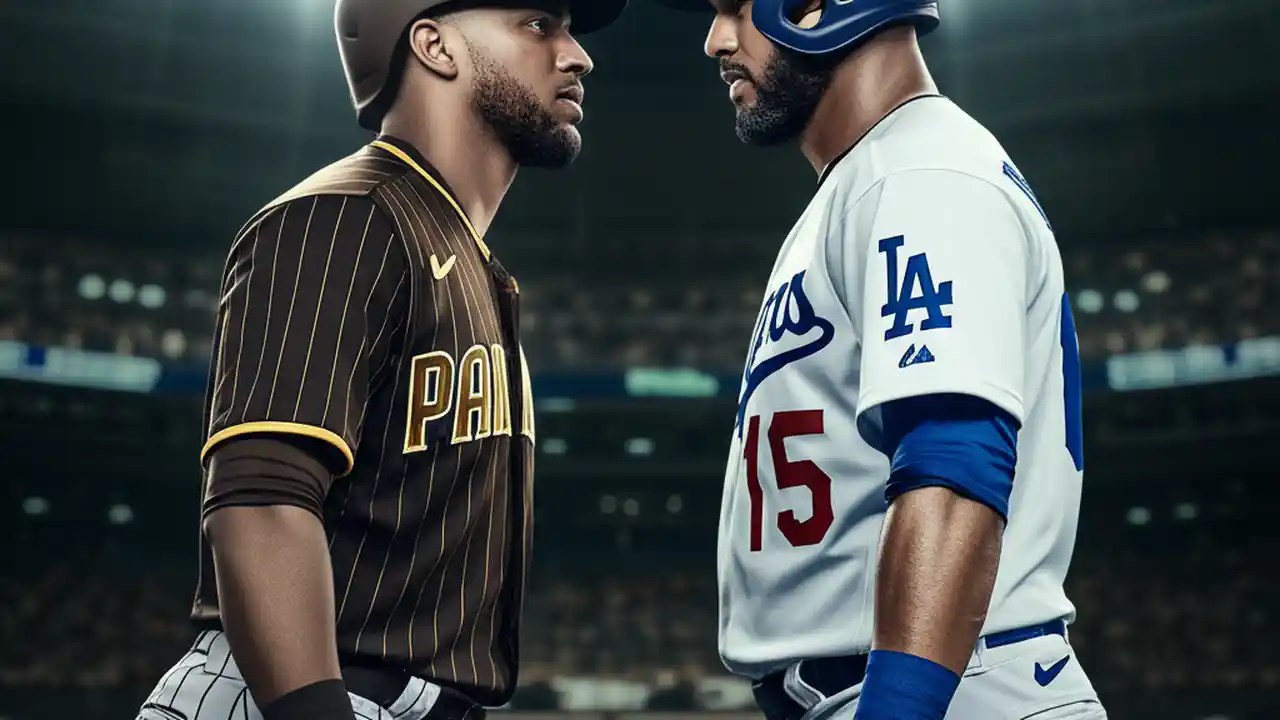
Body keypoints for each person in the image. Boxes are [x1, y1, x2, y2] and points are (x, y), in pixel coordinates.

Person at [135, 1, 625, 719]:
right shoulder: (344, 216)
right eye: (536, 24)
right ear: (433, 45)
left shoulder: (469, 261)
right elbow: (262, 502)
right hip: (295, 694)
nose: (576, 53)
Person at [653, 1, 1106, 718]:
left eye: (738, 7)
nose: (716, 40)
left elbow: (954, 466)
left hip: (951, 689)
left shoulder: (921, 174)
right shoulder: (876, 176)